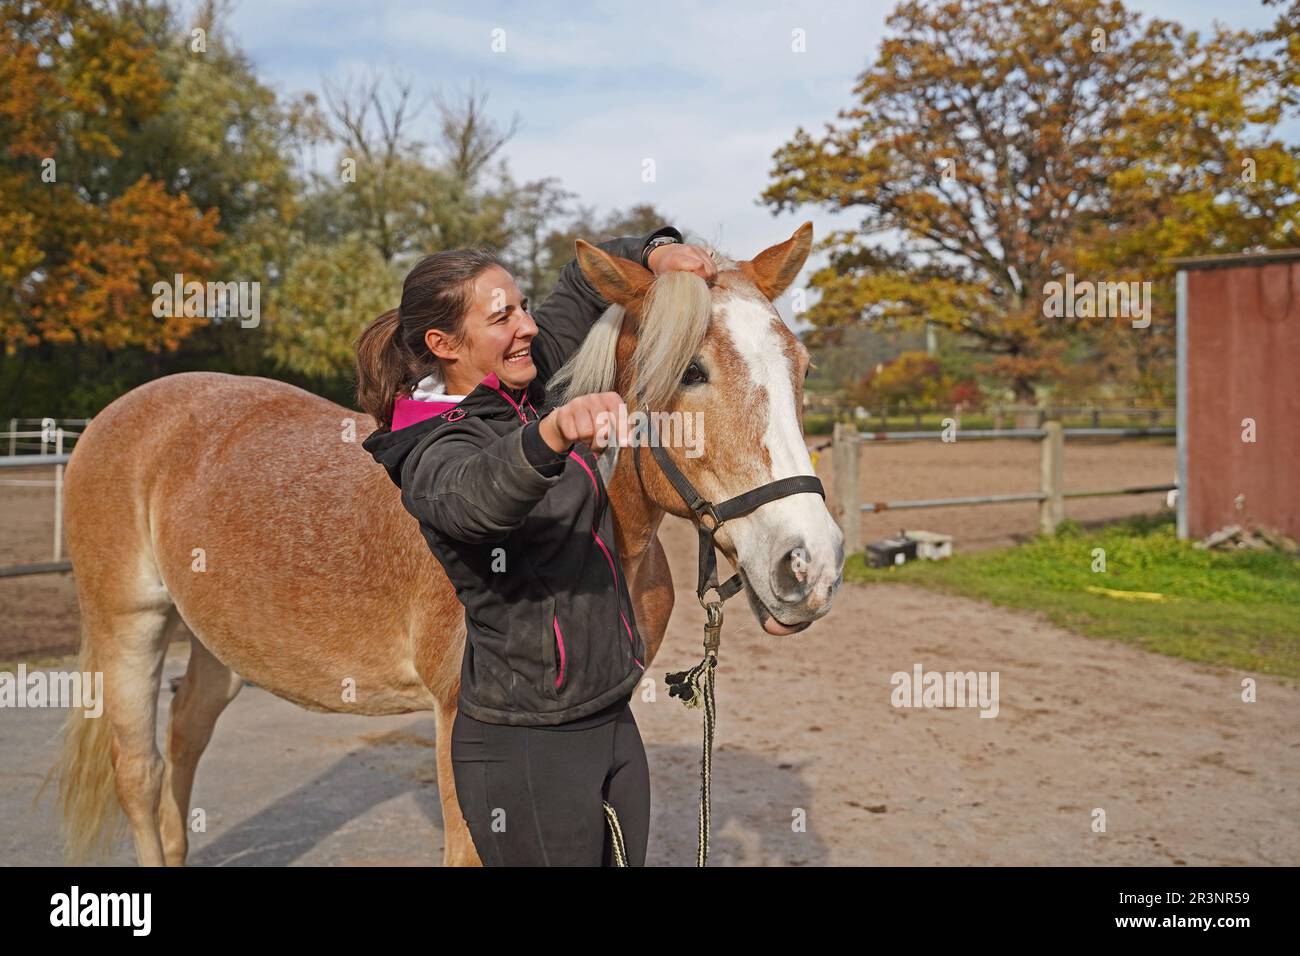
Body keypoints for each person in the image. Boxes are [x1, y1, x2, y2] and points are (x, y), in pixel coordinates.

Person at [356, 227, 717, 865]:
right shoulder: (429, 447)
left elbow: (589, 273)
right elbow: (477, 502)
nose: (527, 326)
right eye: (502, 317)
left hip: (608, 720)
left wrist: (660, 249)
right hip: (527, 745)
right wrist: (550, 435)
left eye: (521, 305)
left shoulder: (528, 372)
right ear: (444, 344)